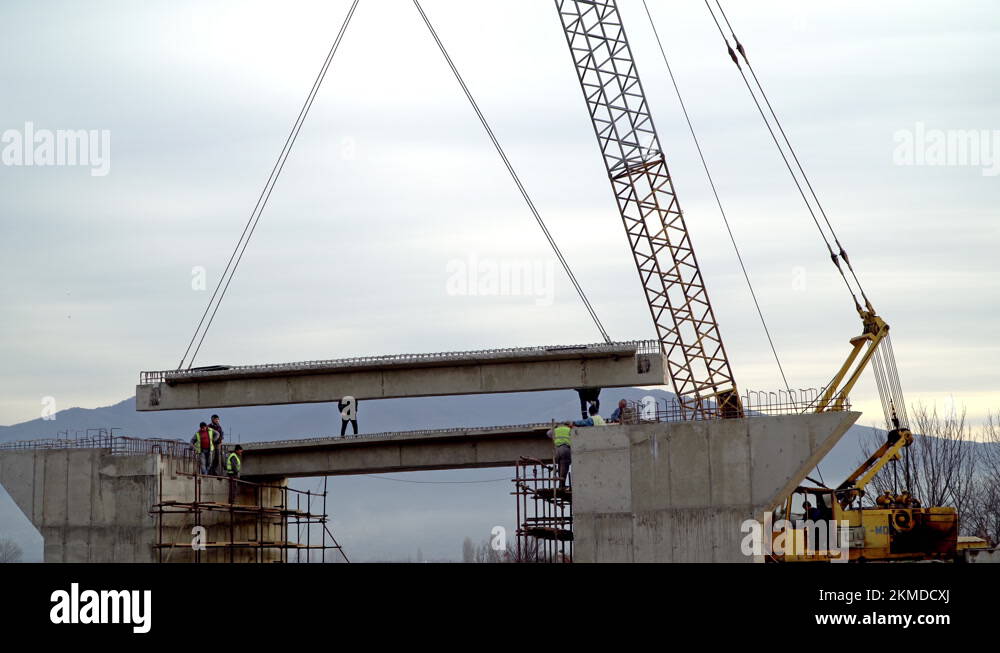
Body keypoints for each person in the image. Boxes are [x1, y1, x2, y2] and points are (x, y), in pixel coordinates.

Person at [547, 421, 573, 490]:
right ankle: (562, 485)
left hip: (557, 450)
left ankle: (561, 485)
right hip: (565, 449)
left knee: (560, 467)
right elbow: (576, 434)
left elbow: (548, 433)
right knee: (565, 468)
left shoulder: (556, 430)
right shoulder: (569, 429)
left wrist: (554, 427)